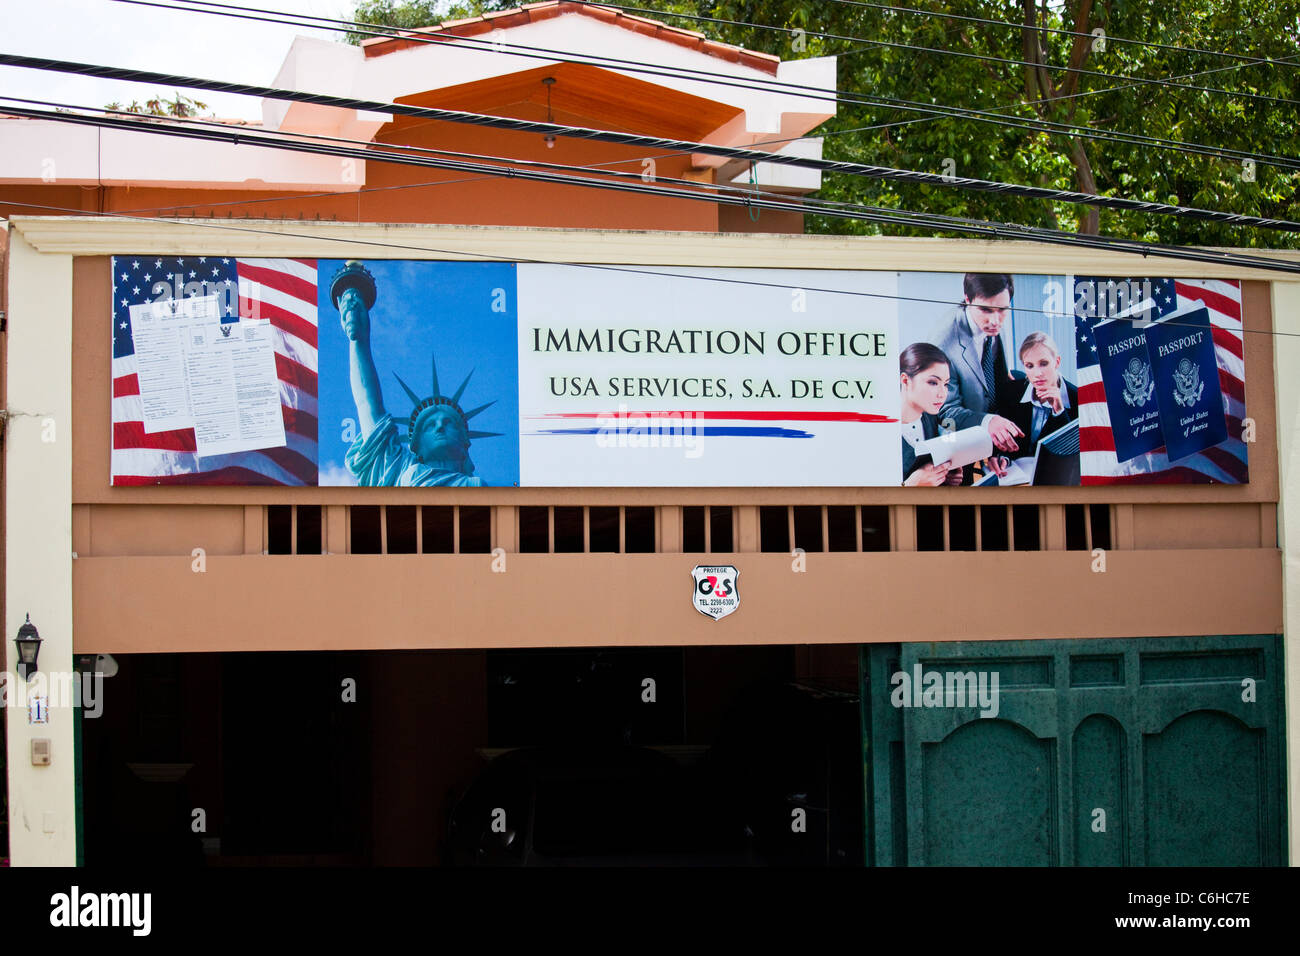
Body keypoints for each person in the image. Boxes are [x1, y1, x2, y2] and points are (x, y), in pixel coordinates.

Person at [331, 261, 499, 487]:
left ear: (465, 441)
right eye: (430, 426)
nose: (439, 426)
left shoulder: (479, 487)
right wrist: (358, 340)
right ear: (415, 446)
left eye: (449, 422)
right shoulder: (400, 469)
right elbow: (367, 405)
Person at [929, 273, 1025, 455]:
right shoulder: (943, 343)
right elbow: (945, 412)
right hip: (962, 428)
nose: (995, 321)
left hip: (994, 407)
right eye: (986, 310)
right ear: (967, 299)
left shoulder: (993, 321)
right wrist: (988, 422)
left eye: (1003, 309)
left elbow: (998, 371)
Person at [899, 342, 1007, 486]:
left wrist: (945, 477)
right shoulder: (876, 429)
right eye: (933, 382)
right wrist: (910, 486)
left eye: (946, 384)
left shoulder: (933, 418)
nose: (943, 394)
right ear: (905, 380)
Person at [995, 331, 1079, 461]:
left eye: (1044, 363)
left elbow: (1072, 454)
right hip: (1016, 474)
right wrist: (1002, 458)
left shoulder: (1078, 399)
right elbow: (1004, 442)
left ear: (1057, 362)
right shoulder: (1011, 392)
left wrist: (1059, 411)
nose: (1037, 373)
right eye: (1029, 366)